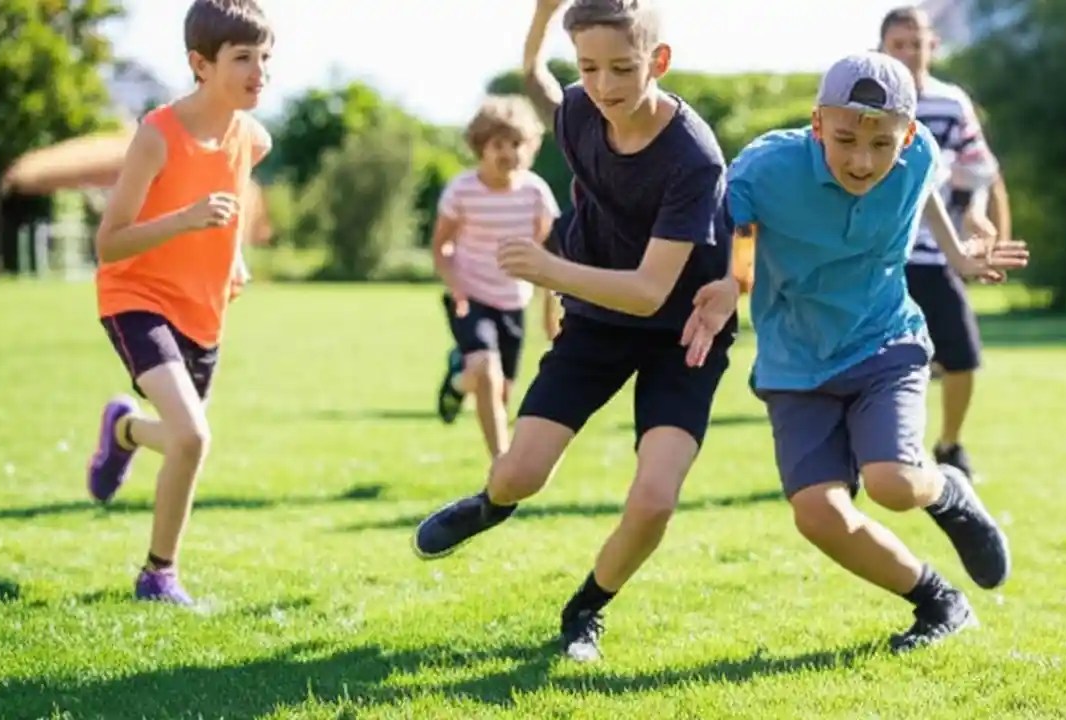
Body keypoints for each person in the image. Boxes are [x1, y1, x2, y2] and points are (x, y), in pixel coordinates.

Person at [414, 0, 735, 662]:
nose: (605, 86)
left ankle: (586, 609)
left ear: (660, 62)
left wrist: (549, 268)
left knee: (654, 500)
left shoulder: (692, 158)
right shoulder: (582, 110)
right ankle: (488, 505)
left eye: (623, 68)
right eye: (588, 68)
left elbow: (650, 292)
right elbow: (533, 71)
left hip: (681, 334)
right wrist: (542, 14)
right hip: (596, 322)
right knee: (519, 474)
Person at [683, 52, 1028, 652]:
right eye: (844, 139)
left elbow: (922, 192)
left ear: (909, 135)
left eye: (881, 144)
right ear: (818, 124)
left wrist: (955, 253)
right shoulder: (766, 167)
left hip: (884, 341)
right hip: (794, 360)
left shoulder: (918, 154)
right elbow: (724, 225)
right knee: (817, 514)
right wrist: (725, 283)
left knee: (893, 482)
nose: (862, 161)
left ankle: (945, 489)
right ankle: (940, 603)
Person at [85, 0, 273, 605]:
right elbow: (109, 244)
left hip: (204, 312)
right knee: (193, 438)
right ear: (200, 63)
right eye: (243, 58)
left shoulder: (253, 136)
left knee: (179, 436)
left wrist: (235, 253)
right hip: (135, 297)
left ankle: (124, 432)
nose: (259, 71)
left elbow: (235, 196)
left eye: (265, 58)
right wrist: (187, 220)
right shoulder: (156, 136)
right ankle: (157, 575)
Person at [879, 5, 1016, 480]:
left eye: (918, 43)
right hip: (875, 258)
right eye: (900, 44)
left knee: (962, 356)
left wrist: (976, 215)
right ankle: (863, 453)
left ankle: (949, 446)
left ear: (933, 45)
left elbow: (976, 172)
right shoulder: (863, 99)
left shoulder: (951, 103)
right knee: (870, 361)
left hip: (935, 253)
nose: (910, 53)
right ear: (882, 47)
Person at [433, 94, 562, 460]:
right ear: (481, 147)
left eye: (518, 144)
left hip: (512, 301)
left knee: (501, 390)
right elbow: (441, 247)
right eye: (499, 144)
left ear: (532, 147)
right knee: (486, 371)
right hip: (471, 296)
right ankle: (501, 466)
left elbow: (547, 256)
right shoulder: (462, 190)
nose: (509, 153)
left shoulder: (536, 192)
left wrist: (549, 311)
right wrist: (456, 287)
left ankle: (457, 380)